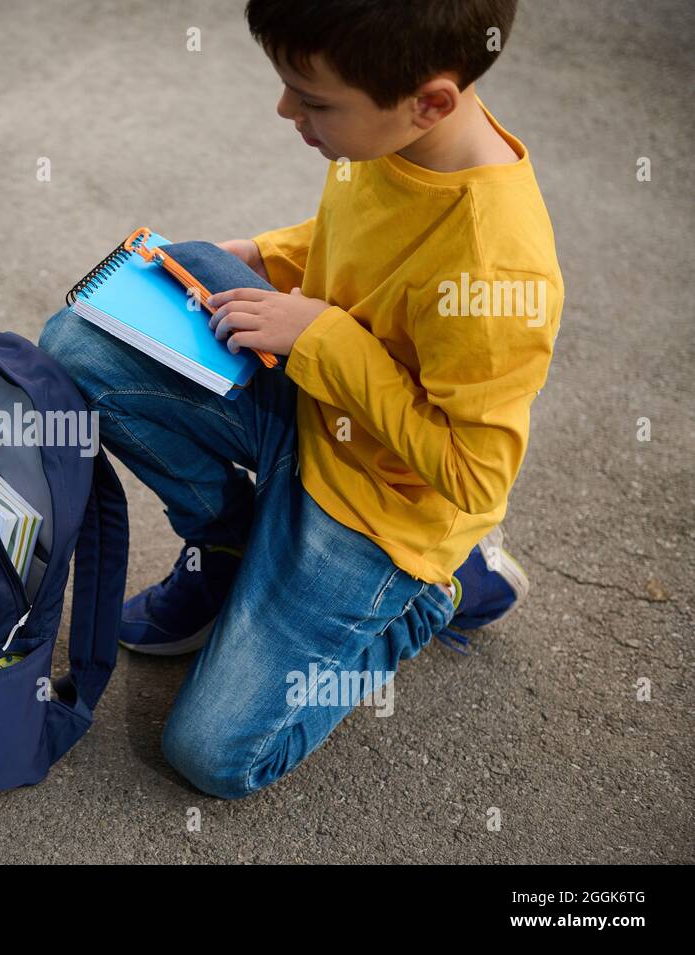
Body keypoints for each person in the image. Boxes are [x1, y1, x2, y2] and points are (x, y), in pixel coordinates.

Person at [38, 0, 562, 798]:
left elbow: (476, 475)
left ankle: (440, 589)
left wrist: (323, 338)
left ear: (431, 101)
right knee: (78, 344)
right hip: (311, 398)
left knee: (212, 754)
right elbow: (355, 239)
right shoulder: (397, 129)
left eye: (312, 101)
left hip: (379, 512)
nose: (287, 112)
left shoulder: (497, 270)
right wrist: (260, 257)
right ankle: (232, 544)